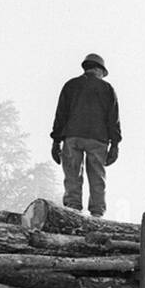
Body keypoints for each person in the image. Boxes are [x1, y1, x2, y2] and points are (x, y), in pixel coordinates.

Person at [51, 53, 121, 218]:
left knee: (72, 176)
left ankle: (72, 211)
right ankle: (97, 214)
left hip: (72, 136)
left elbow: (60, 115)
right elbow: (113, 118)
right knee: (97, 178)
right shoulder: (107, 89)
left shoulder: (70, 85)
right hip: (98, 139)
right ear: (99, 70)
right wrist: (115, 145)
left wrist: (56, 142)